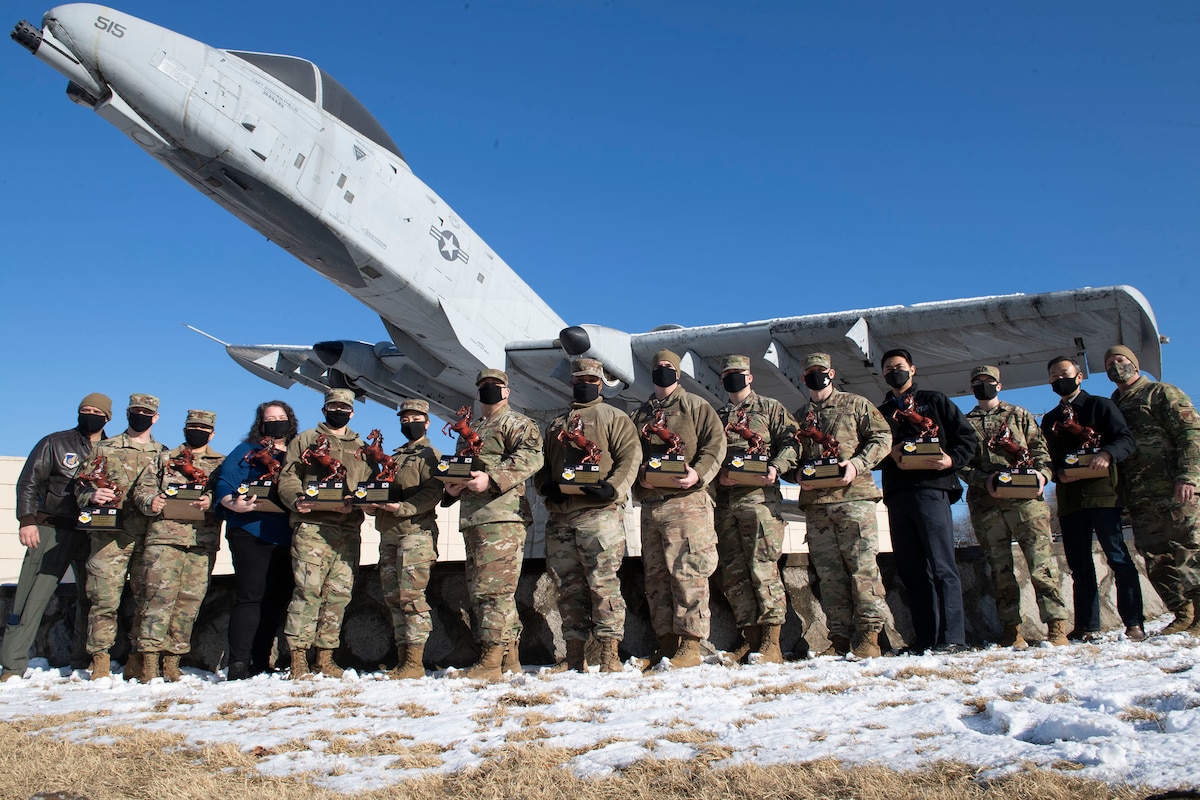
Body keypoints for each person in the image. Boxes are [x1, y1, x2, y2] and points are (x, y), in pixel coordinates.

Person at [535, 358, 640, 673]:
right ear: (570, 383)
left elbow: (630, 457)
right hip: (561, 518)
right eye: (580, 379)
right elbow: (541, 467)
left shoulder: (614, 417)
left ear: (600, 383)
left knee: (603, 583)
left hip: (599, 516)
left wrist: (613, 489)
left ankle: (609, 654)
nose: (585, 384)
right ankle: (575, 654)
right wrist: (545, 487)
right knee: (567, 587)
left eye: (591, 379)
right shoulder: (556, 425)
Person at [1, 393, 112, 682]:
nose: (89, 415)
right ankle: (13, 665)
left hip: (92, 532)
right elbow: (29, 481)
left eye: (95, 411)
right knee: (31, 596)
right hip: (52, 528)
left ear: (107, 418)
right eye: (85, 410)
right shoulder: (55, 442)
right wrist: (27, 521)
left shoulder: (112, 449)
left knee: (93, 598)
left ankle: (82, 660)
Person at [442, 369, 544, 681]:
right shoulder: (473, 428)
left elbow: (532, 457)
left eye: (496, 386)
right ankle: (509, 660)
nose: (490, 391)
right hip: (475, 519)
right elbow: (462, 468)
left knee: (493, 591)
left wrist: (493, 478)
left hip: (502, 517)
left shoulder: (517, 423)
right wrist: (452, 488)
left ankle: (489, 661)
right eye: (484, 386)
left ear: (507, 392)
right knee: (484, 590)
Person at [630, 349, 726, 669]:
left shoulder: (696, 406)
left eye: (668, 368)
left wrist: (698, 473)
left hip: (687, 505)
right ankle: (666, 643)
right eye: (657, 368)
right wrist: (639, 477)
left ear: (679, 373)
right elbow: (630, 455)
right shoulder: (641, 415)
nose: (662, 372)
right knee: (656, 579)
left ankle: (690, 644)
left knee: (688, 572)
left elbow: (716, 444)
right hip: (652, 507)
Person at [960, 365, 1068, 649]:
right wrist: (985, 480)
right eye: (978, 382)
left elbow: (1040, 451)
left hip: (1026, 503)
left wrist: (1043, 476)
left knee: (1041, 565)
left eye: (989, 381)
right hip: (987, 504)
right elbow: (962, 464)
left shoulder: (1018, 415)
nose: (984, 386)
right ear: (971, 388)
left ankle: (1056, 626)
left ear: (999, 385)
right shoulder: (965, 422)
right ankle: (1011, 629)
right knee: (999, 569)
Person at [877, 349, 977, 654]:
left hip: (932, 489)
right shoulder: (880, 412)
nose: (895, 372)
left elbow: (967, 438)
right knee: (911, 568)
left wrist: (950, 461)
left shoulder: (935, 401)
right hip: (898, 494)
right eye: (889, 369)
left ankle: (952, 637)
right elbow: (871, 447)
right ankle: (925, 638)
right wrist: (888, 453)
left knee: (942, 565)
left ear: (912, 369)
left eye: (900, 367)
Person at [793, 353, 892, 658]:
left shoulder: (856, 404)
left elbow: (883, 437)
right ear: (803, 378)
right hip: (818, 504)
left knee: (862, 568)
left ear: (832, 373)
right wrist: (796, 474)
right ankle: (839, 637)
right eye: (810, 373)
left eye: (820, 372)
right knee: (829, 574)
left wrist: (858, 464)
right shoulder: (800, 416)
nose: (816, 377)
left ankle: (870, 636)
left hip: (854, 500)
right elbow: (791, 455)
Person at [1041, 355, 1144, 641]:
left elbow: (1125, 439)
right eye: (1053, 376)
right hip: (1070, 500)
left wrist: (1107, 454)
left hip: (1103, 497)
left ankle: (1134, 622)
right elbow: (1045, 457)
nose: (1058, 379)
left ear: (1079, 375)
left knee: (1118, 558)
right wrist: (1055, 473)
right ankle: (1086, 625)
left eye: (1063, 373)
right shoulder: (1050, 419)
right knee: (1079, 565)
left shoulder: (1101, 406)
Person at [1104, 345, 1200, 636]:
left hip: (1174, 490)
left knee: (1189, 550)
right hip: (1139, 495)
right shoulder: (1113, 404)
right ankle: (1182, 613)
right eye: (1109, 363)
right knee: (1156, 558)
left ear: (1134, 363)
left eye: (1121, 360)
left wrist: (1188, 476)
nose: (1116, 366)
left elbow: (1190, 434)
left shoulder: (1161, 393)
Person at [278, 388, 372, 678]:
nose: (338, 411)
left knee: (338, 595)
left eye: (343, 407)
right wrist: (297, 500)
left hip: (347, 529)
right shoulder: (305, 440)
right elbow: (287, 477)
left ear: (352, 412)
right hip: (314, 529)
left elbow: (369, 483)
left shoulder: (361, 446)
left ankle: (326, 656)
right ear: (324, 410)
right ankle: (298, 658)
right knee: (308, 592)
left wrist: (357, 501)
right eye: (333, 406)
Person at [75, 393, 166, 680]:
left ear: (155, 418)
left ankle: (137, 658)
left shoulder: (164, 454)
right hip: (109, 537)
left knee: (146, 600)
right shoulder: (104, 448)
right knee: (103, 598)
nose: (141, 416)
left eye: (146, 412)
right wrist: (92, 494)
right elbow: (80, 487)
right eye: (135, 411)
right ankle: (99, 657)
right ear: (128, 414)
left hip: (149, 537)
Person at [714, 354, 798, 664]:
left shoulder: (770, 408)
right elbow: (709, 451)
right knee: (734, 574)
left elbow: (793, 441)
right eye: (728, 374)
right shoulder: (718, 415)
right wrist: (716, 474)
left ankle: (772, 643)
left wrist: (777, 466)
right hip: (725, 503)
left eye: (739, 373)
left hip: (760, 502)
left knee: (763, 568)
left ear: (750, 377)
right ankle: (749, 638)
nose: (733, 378)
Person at [130, 410, 224, 681]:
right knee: (157, 600)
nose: (197, 431)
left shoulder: (220, 464)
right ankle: (148, 661)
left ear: (212, 433)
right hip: (164, 540)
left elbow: (228, 493)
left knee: (188, 603)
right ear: (184, 429)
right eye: (192, 426)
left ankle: (173, 660)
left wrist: (211, 501)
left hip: (200, 542)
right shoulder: (164, 459)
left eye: (203, 427)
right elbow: (142, 489)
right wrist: (151, 502)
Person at [215, 400, 298, 680]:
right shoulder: (247, 451)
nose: (276, 422)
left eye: (281, 417)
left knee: (277, 601)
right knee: (251, 598)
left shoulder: (300, 453)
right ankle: (239, 663)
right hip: (251, 532)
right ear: (261, 424)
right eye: (270, 418)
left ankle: (262, 659)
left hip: (288, 537)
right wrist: (232, 503)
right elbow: (225, 483)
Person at [368, 399, 444, 679]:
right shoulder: (395, 456)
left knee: (412, 598)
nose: (409, 424)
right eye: (404, 420)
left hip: (415, 534)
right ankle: (402, 658)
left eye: (414, 419)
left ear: (427, 422)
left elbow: (432, 492)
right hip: (388, 534)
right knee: (393, 599)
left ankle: (414, 661)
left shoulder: (430, 455)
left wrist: (402, 508)